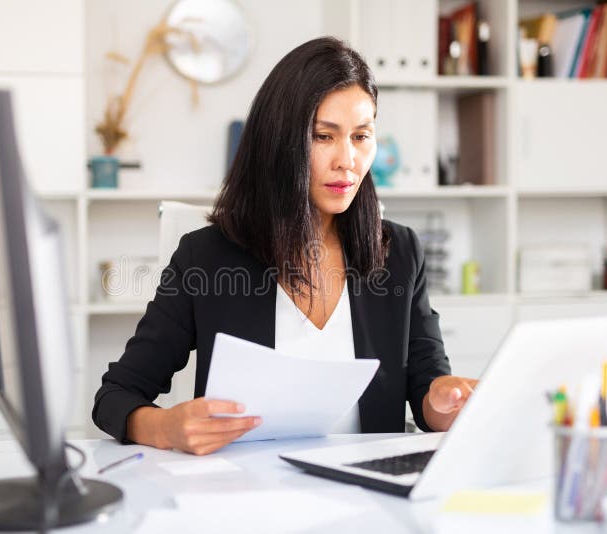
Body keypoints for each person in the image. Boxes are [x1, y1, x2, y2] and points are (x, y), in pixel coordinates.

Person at [92, 37, 477, 456]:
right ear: (279, 142)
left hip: (367, 496)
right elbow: (115, 396)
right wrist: (165, 426)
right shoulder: (205, 258)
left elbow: (428, 395)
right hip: (245, 496)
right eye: (323, 136)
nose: (347, 159)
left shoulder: (399, 250)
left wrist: (444, 401)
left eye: (361, 136)